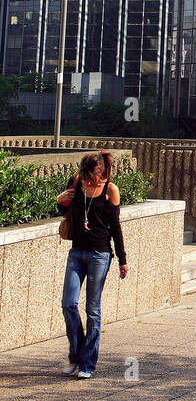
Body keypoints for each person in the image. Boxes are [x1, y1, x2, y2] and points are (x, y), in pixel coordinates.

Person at [56, 151, 129, 379]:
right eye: (85, 176)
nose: (88, 181)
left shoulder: (110, 190)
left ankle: (87, 363)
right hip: (77, 252)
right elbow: (66, 212)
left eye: (92, 177)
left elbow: (115, 227)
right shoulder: (77, 183)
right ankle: (75, 355)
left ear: (101, 172)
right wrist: (60, 200)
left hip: (100, 254)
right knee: (68, 304)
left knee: (93, 310)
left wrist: (122, 260)